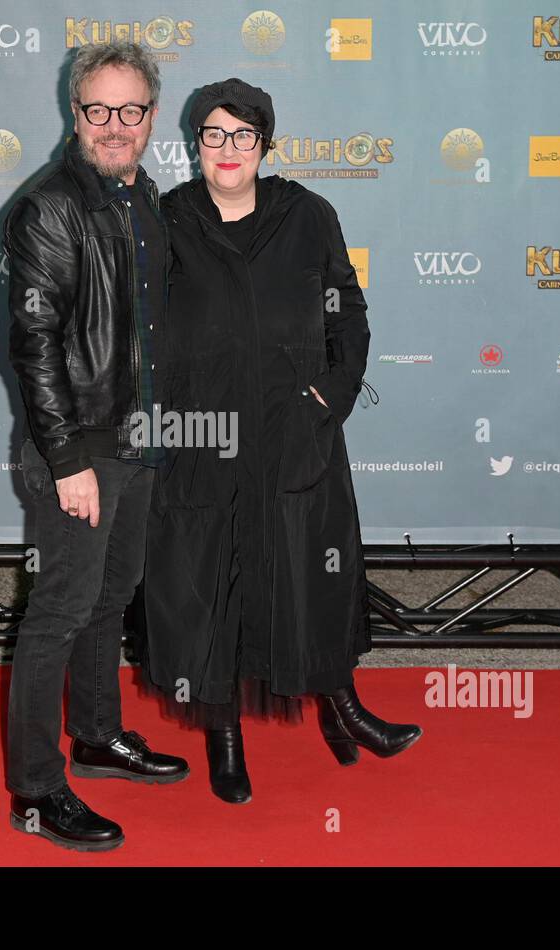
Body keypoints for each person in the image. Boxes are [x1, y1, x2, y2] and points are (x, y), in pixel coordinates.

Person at [134, 78, 422, 804]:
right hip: (206, 438)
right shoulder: (167, 220)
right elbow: (140, 331)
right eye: (213, 135)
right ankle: (225, 736)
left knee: (312, 574)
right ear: (194, 143)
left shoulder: (308, 216)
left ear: (265, 145)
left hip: (296, 430)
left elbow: (346, 312)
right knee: (210, 588)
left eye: (243, 136)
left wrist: (330, 395)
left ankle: (343, 707)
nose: (228, 150)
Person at [2, 41, 187, 852]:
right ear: (74, 114)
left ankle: (97, 735)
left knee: (113, 597)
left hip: (139, 437)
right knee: (60, 612)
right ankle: (37, 792)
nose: (115, 126)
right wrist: (69, 459)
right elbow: (35, 345)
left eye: (131, 110)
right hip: (78, 449)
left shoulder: (142, 195)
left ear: (150, 116)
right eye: (98, 110)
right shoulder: (50, 205)